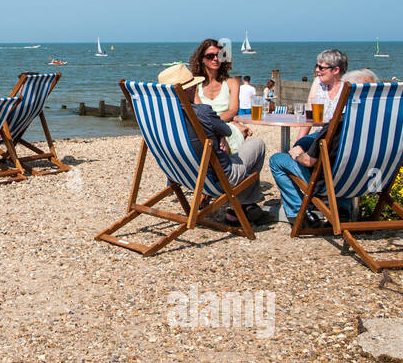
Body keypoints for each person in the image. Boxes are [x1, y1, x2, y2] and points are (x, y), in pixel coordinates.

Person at [159, 62, 269, 224]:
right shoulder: (202, 112)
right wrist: (218, 133)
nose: (196, 89)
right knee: (257, 144)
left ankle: (242, 206)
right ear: (189, 89)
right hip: (218, 177)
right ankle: (240, 207)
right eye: (194, 86)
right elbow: (228, 130)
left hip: (181, 175)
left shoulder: (162, 116)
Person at [270, 67, 377, 225]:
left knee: (277, 159)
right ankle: (343, 210)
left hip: (334, 185)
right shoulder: (384, 124)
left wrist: (296, 153)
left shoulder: (340, 124)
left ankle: (300, 213)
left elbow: (309, 162)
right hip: (370, 180)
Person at [188, 39, 250, 154]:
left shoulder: (232, 83)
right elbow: (202, 115)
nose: (216, 59)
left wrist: (217, 125)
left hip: (219, 127)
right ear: (202, 59)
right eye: (210, 56)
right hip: (207, 130)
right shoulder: (195, 85)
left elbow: (233, 110)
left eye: (219, 55)